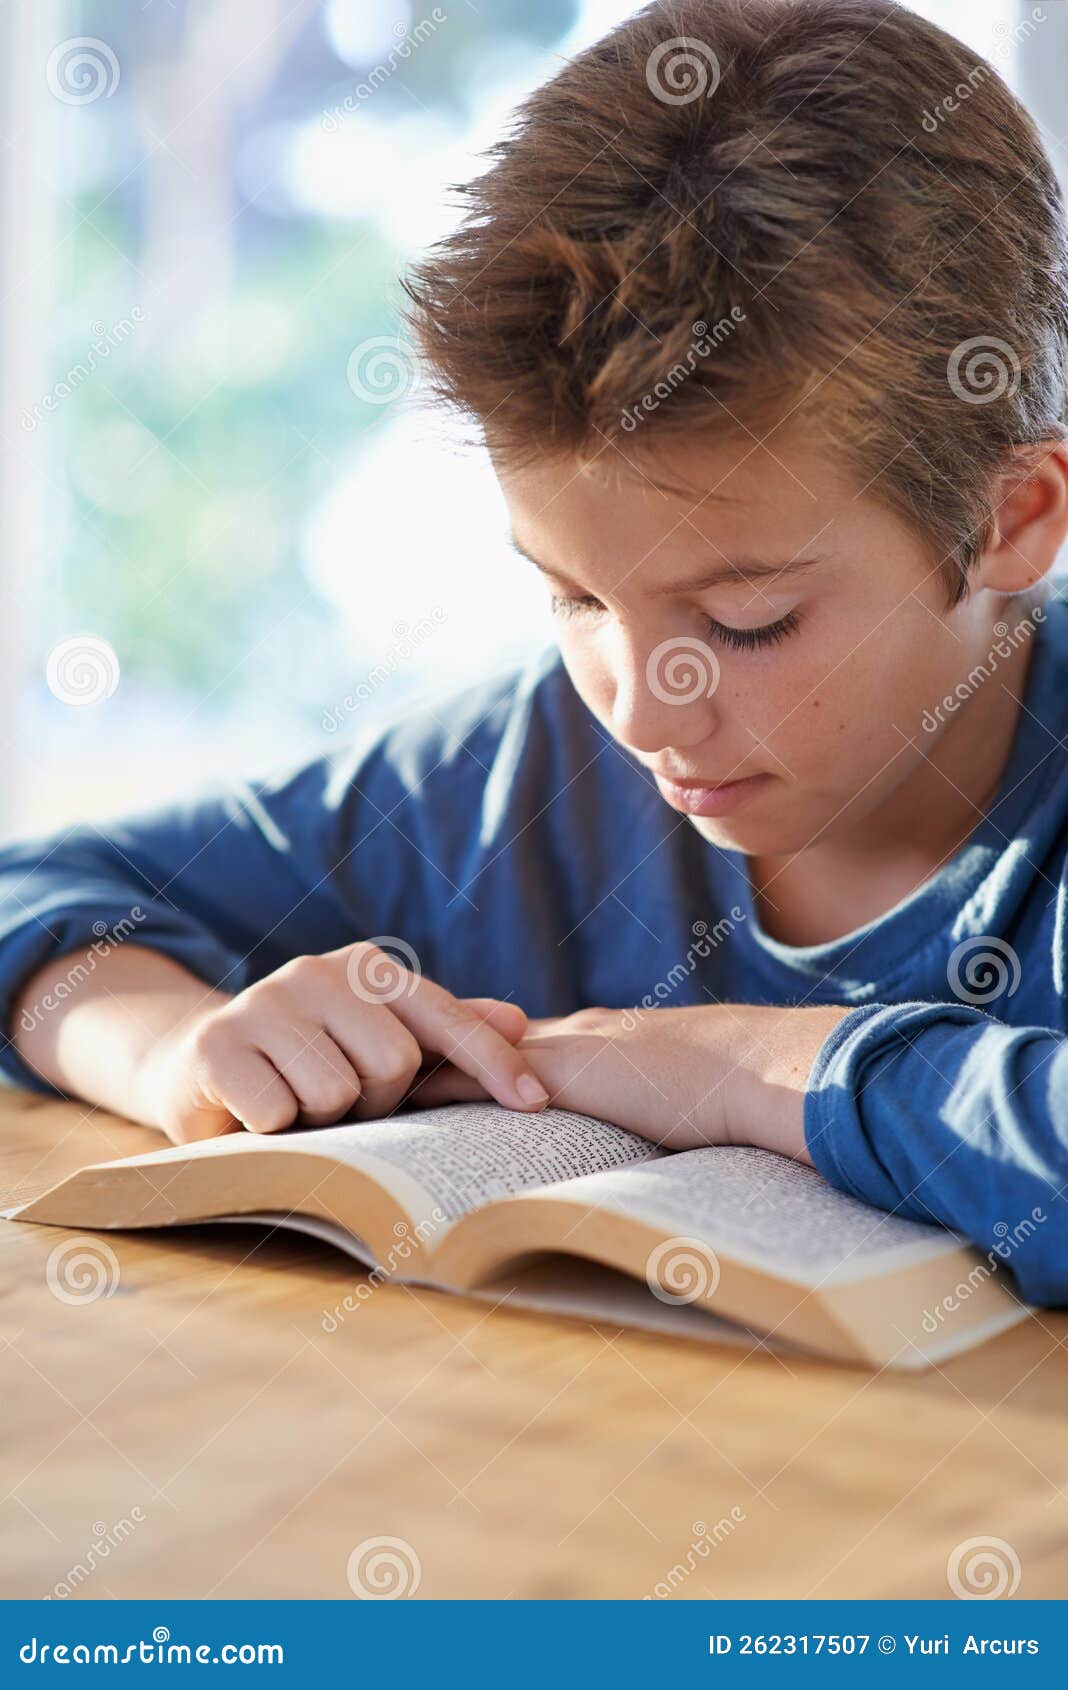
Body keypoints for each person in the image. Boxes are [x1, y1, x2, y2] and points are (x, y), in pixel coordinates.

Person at [3, 0, 1067, 1304]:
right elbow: (34, 892)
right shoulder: (521, 780)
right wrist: (172, 1048)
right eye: (570, 597)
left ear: (1012, 514)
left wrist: (748, 1064)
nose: (646, 710)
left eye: (747, 622)